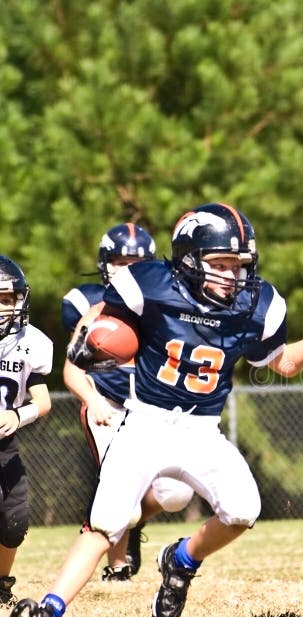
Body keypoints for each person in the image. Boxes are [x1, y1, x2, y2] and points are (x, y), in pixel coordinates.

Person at [8, 202, 303, 617]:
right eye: (220, 264)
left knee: (243, 508)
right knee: (105, 524)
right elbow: (98, 324)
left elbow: (286, 363)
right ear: (190, 259)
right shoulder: (150, 284)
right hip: (146, 423)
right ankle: (47, 615)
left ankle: (181, 560)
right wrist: (90, 342)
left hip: (202, 429)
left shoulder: (258, 304)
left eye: (239, 265)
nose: (232, 276)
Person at [61, 223, 194, 581]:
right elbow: (72, 370)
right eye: (119, 261)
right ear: (105, 263)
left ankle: (132, 526)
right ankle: (118, 567)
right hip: (106, 404)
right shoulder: (85, 302)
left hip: (151, 409)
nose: (126, 268)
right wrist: (92, 399)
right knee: (123, 497)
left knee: (177, 493)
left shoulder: (164, 305)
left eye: (136, 261)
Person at [0, 258, 53, 609]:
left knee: (15, 522)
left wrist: (17, 416)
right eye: (1, 298)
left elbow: (44, 402)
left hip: (4, 443)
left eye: (12, 297)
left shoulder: (30, 341)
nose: (10, 306)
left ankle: (1, 584)